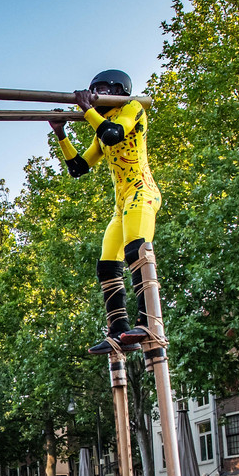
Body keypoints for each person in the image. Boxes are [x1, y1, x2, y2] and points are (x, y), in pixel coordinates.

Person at [50, 70, 161, 353]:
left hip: (141, 192)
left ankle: (148, 321)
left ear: (118, 90)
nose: (95, 97)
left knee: (135, 249)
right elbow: (78, 167)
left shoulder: (131, 109)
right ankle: (118, 328)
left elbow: (113, 135)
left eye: (100, 91)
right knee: (107, 263)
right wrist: (61, 133)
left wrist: (87, 110)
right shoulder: (102, 125)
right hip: (122, 202)